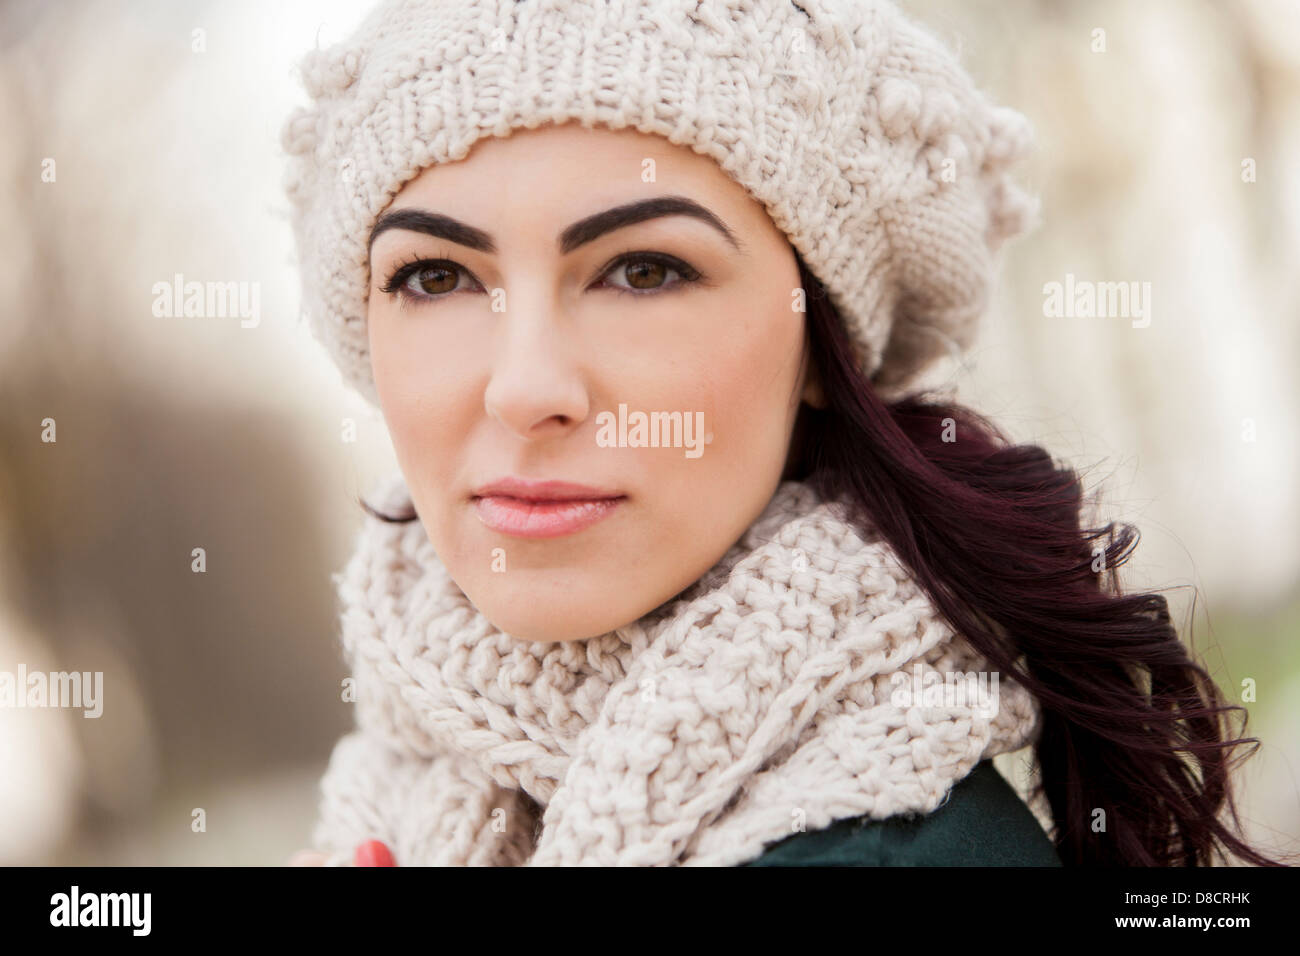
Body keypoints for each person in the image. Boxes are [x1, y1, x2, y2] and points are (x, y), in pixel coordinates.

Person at [279, 0, 1281, 866]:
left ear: (819, 345)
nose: (525, 388)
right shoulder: (397, 793)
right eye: (436, 276)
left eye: (643, 270)